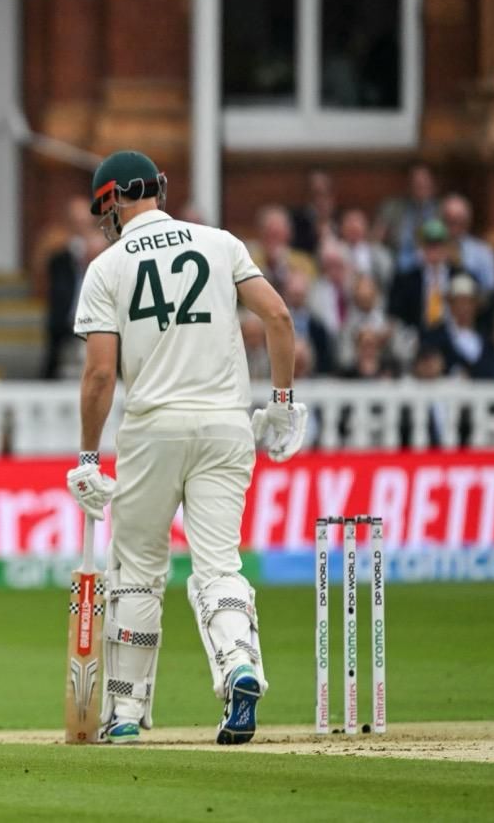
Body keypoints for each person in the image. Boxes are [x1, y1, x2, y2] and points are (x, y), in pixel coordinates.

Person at [65, 150, 303, 746]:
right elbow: (276, 314)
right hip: (226, 427)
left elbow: (98, 377)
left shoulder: (107, 266)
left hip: (153, 431)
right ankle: (240, 668)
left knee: (139, 571)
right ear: (159, 190)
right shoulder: (220, 242)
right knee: (219, 565)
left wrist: (89, 458)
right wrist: (279, 401)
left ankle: (123, 714)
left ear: (112, 201)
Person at [42, 197, 100, 379]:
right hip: (65, 318)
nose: (80, 224)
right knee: (56, 367)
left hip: (96, 317)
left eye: (84, 219)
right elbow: (42, 267)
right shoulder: (57, 245)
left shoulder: (104, 246)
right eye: (76, 219)